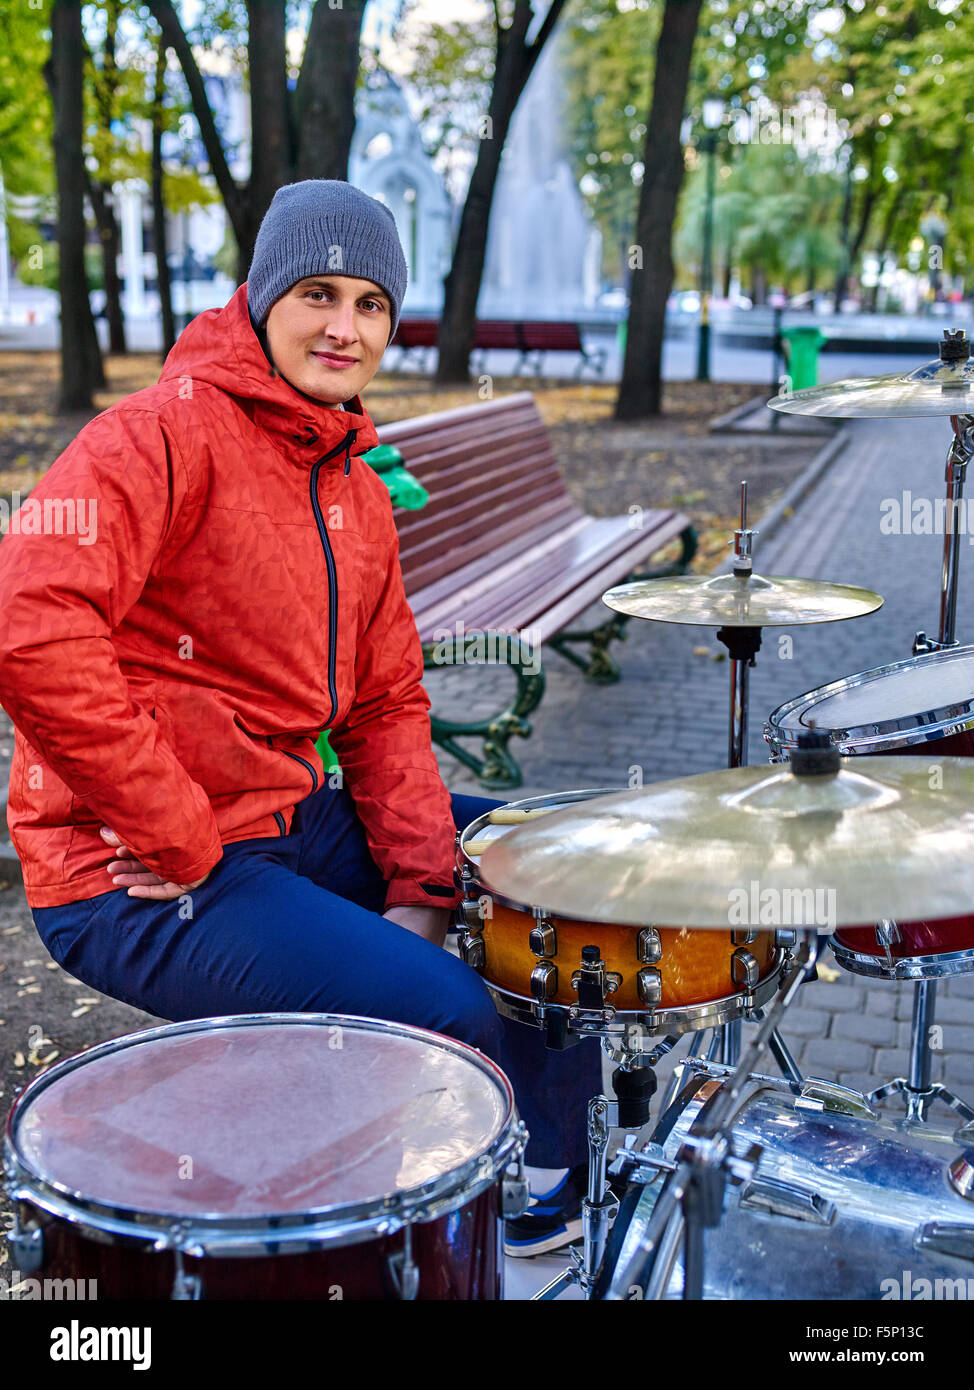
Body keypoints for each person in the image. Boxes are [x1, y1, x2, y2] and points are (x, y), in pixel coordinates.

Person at [0, 180, 603, 1258]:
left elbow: (384, 704)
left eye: (371, 302)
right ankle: (423, 1243)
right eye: (318, 292)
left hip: (281, 818)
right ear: (263, 295)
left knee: (552, 876)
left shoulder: (346, 476)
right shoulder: (158, 436)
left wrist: (424, 886)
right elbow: (29, 623)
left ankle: (545, 1183)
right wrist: (172, 828)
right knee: (441, 1012)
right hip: (127, 868)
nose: (344, 325)